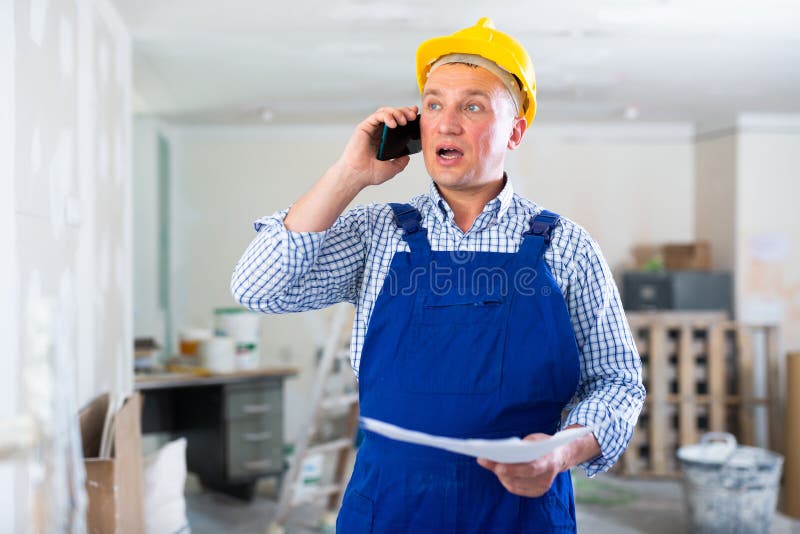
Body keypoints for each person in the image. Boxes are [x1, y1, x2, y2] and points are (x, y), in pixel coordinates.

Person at [231, 17, 644, 533]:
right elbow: (258, 287)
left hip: (520, 513)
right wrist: (350, 175)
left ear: (514, 131)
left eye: (472, 106)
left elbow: (618, 383)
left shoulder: (566, 246)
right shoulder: (375, 233)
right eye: (433, 104)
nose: (446, 123)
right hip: (389, 510)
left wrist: (563, 451)